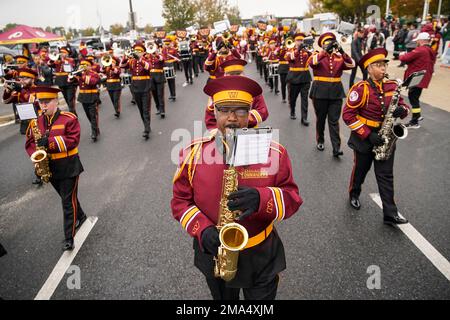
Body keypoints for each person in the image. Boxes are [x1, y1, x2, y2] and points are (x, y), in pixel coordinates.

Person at [171, 76, 302, 300]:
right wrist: (201, 229)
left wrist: (262, 199)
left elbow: (292, 198)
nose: (231, 119)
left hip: (261, 253)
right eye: (224, 110)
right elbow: (180, 202)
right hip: (214, 253)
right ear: (214, 113)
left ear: (250, 113)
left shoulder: (275, 152)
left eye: (240, 111)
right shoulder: (193, 154)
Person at [342, 48, 409, 225]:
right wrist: (367, 134)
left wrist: (403, 111)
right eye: (378, 66)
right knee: (360, 171)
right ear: (369, 69)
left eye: (384, 65)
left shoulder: (392, 85)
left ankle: (390, 213)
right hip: (364, 139)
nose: (383, 69)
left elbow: (403, 105)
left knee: (386, 175)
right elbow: (348, 115)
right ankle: (354, 193)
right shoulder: (361, 89)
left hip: (386, 138)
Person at [25, 86, 87, 250]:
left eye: (47, 102)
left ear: (56, 101)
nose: (43, 106)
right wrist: (36, 156)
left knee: (67, 201)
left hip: (68, 166)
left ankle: (69, 237)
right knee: (67, 197)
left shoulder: (69, 118)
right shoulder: (36, 122)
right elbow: (30, 143)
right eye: (41, 102)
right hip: (50, 168)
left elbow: (73, 140)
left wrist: (50, 143)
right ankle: (80, 215)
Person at [309, 32, 355, 157]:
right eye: (327, 42)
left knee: (334, 121)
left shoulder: (339, 57)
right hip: (320, 93)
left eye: (331, 42)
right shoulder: (317, 55)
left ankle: (336, 147)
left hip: (336, 93)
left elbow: (352, 65)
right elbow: (311, 62)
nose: (329, 44)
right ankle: (320, 140)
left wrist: (343, 52)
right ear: (322, 44)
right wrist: (324, 53)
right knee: (321, 119)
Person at [204, 59, 269, 130]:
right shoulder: (218, 92)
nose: (235, 77)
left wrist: (243, 117)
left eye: (238, 73)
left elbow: (263, 111)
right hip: (224, 131)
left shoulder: (252, 89)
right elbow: (210, 116)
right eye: (231, 74)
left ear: (244, 74)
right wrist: (217, 132)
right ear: (225, 75)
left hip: (248, 131)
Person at [399, 32, 436, 128]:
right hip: (422, 78)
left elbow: (405, 58)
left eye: (418, 40)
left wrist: (401, 54)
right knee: (415, 97)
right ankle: (417, 116)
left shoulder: (421, 50)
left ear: (422, 40)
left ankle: (414, 121)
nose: (417, 42)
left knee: (413, 98)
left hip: (417, 79)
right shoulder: (430, 50)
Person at [120, 42, 152, 140]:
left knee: (146, 109)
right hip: (136, 88)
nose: (137, 53)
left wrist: (140, 59)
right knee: (141, 109)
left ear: (143, 53)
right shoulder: (131, 61)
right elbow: (121, 65)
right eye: (136, 51)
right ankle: (146, 125)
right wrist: (125, 57)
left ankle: (146, 129)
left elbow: (148, 67)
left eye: (139, 51)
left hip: (145, 87)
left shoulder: (146, 59)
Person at [70, 59, 101, 141]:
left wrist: (82, 76)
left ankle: (94, 132)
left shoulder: (94, 74)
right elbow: (73, 82)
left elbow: (92, 82)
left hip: (92, 97)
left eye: (85, 65)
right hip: (83, 97)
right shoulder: (80, 74)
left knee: (93, 115)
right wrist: (71, 77)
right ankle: (96, 128)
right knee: (88, 115)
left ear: (89, 66)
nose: (83, 67)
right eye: (82, 66)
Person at [285, 33, 312, 123]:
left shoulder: (306, 50)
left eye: (301, 40)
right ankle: (292, 111)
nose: (300, 42)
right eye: (298, 40)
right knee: (293, 98)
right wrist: (298, 50)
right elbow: (288, 58)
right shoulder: (290, 49)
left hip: (305, 77)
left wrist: (309, 51)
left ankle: (304, 118)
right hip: (294, 77)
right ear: (294, 41)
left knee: (304, 99)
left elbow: (313, 59)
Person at [48, 47, 78, 115]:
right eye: (61, 52)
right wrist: (52, 59)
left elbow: (71, 66)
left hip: (69, 81)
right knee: (66, 99)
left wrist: (63, 60)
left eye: (63, 52)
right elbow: (50, 64)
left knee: (71, 100)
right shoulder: (57, 60)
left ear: (67, 54)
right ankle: (73, 114)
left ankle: (72, 114)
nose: (62, 54)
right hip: (60, 81)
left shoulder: (70, 60)